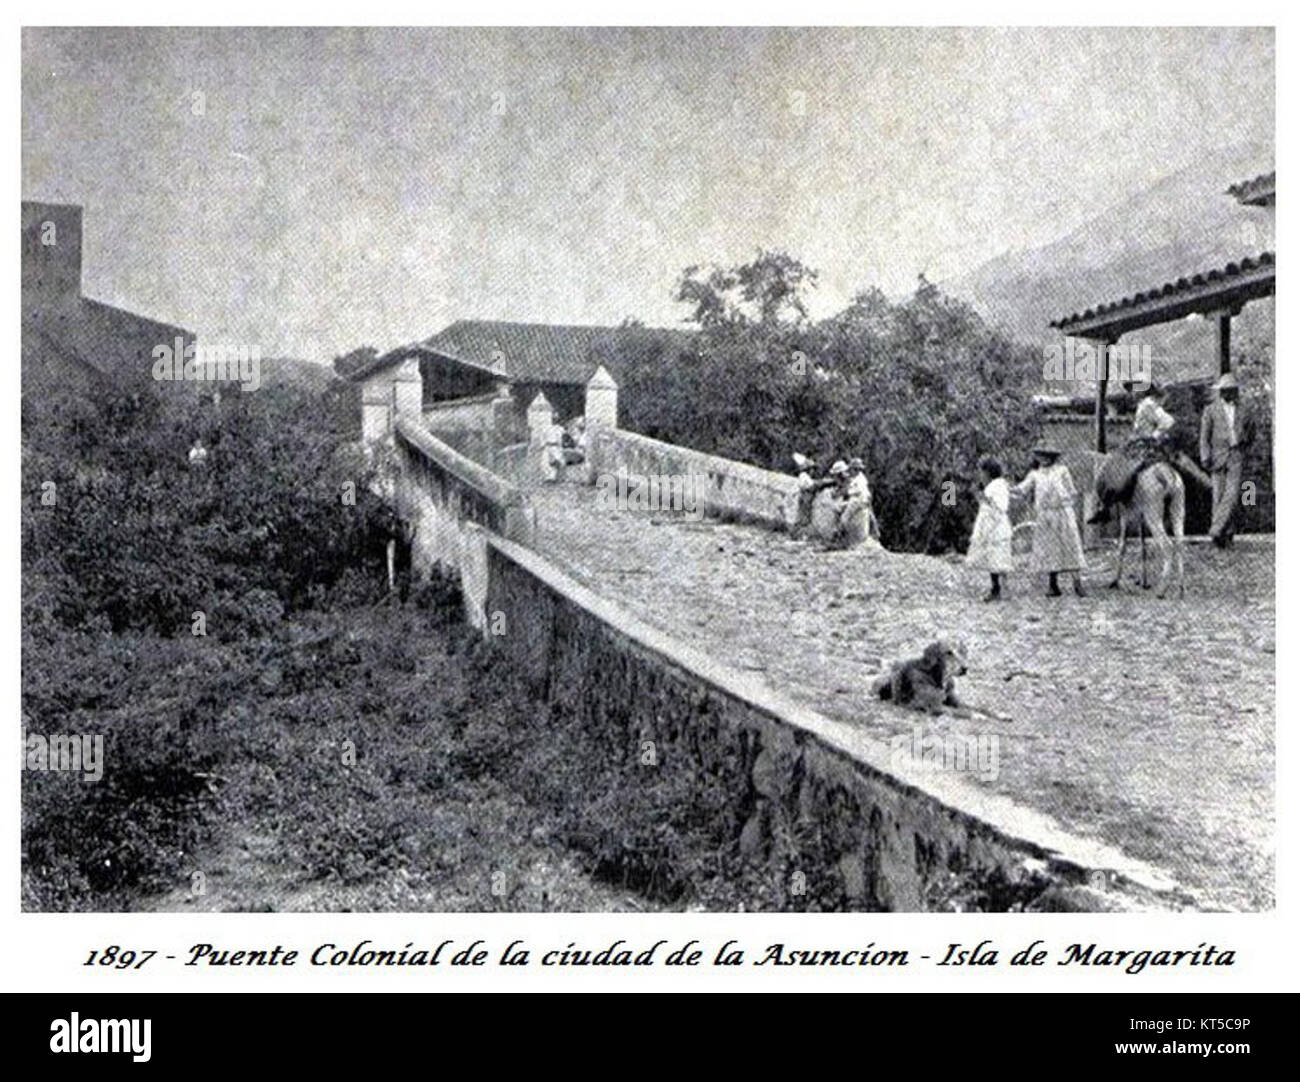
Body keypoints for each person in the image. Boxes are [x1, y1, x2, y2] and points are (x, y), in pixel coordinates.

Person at [1090, 383, 1175, 523]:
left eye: (1137, 388)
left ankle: (1105, 506)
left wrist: (1152, 436)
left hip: (1143, 447)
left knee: (1113, 466)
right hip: (1140, 445)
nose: (1133, 392)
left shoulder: (1147, 405)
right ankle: (1105, 506)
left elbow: (1168, 421)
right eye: (1133, 389)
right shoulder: (1143, 405)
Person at [1013, 446, 1087, 597]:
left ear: (1052, 457)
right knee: (1050, 549)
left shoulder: (1062, 470)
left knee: (1070, 546)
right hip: (1045, 515)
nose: (1043, 459)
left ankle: (1077, 583)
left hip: (1062, 512)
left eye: (1046, 456)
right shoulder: (1035, 474)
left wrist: (1066, 501)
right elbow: (1022, 489)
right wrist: (1006, 488)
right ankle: (1053, 585)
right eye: (1040, 455)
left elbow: (1072, 491)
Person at [1200, 372, 1255, 548]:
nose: (1225, 393)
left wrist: (1244, 447)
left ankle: (1216, 529)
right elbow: (1204, 436)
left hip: (1236, 455)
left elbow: (1252, 432)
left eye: (1229, 390)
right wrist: (1205, 455)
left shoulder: (1245, 409)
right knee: (1218, 496)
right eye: (1223, 390)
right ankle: (1222, 537)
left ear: (1234, 391)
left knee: (1233, 493)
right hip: (1217, 456)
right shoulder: (1210, 410)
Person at [966, 456, 1013, 601]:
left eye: (982, 472)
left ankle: (1000, 589)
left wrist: (983, 498)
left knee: (998, 558)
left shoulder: (998, 486)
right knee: (994, 559)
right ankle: (998, 588)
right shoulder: (993, 486)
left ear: (988, 472)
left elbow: (999, 507)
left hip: (996, 526)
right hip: (990, 525)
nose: (981, 476)